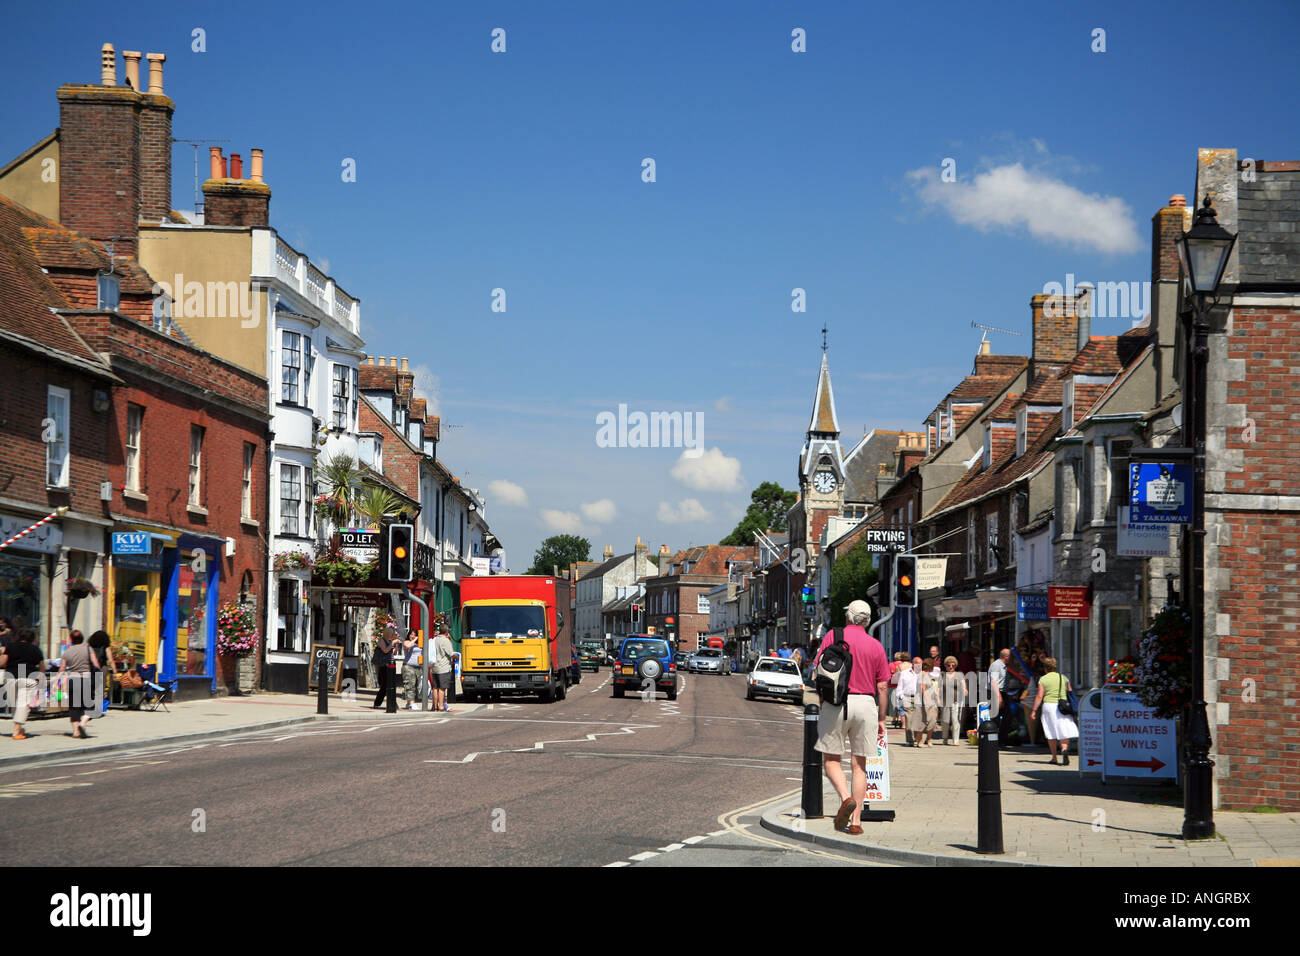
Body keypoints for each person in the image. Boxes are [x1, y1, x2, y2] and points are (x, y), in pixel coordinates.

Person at [812, 599, 891, 835]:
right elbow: (883, 686)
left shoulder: (833, 637)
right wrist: (882, 718)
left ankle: (846, 798)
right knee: (860, 765)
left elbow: (818, 671)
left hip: (836, 703)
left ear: (848, 616)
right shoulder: (876, 646)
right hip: (866, 705)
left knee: (831, 760)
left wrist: (822, 700)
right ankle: (856, 822)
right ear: (868, 620)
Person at [1030, 657, 1079, 765]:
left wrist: (1034, 710)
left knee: (1050, 731)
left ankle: (1054, 758)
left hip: (1049, 706)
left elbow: (1039, 696)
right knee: (1063, 729)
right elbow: (1070, 693)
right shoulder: (1064, 678)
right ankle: (1064, 749)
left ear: (1045, 668)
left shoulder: (1043, 679)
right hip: (1063, 707)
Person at [1, 627, 43, 740]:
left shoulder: (11, 646)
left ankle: (18, 728)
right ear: (32, 638)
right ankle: (16, 732)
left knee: (14, 704)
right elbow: (42, 667)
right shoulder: (36, 649)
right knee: (23, 704)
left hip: (11, 677)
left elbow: (2, 662)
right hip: (29, 678)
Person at [57, 630, 99, 739]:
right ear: (82, 638)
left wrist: (56, 681)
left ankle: (76, 732)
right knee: (90, 706)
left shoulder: (67, 652)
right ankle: (82, 724)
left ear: (71, 639)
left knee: (74, 708)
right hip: (86, 680)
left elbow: (62, 668)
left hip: (72, 680)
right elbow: (96, 664)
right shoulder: (88, 649)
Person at [429, 624, 457, 713]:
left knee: (435, 688)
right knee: (442, 688)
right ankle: (441, 706)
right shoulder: (445, 640)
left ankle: (435, 706)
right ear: (447, 631)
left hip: (434, 666)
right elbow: (451, 653)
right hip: (443, 667)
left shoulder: (435, 639)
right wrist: (458, 657)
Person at [940, 655, 966, 744]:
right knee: (945, 721)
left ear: (955, 665)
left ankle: (956, 740)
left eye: (953, 665)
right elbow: (938, 687)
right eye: (949, 665)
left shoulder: (959, 675)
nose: (951, 667)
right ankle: (945, 738)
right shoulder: (942, 675)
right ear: (945, 665)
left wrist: (965, 689)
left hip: (956, 701)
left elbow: (963, 684)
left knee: (955, 720)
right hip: (945, 701)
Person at [371, 624, 398, 709]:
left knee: (391, 684)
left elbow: (393, 653)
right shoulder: (381, 640)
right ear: (388, 633)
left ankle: (393, 703)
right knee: (385, 685)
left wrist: (396, 646)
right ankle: (377, 702)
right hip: (383, 665)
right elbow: (385, 650)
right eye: (391, 633)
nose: (393, 635)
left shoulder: (390, 641)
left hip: (390, 665)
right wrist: (392, 643)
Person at [915, 658, 941, 747]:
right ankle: (920, 741)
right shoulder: (922, 675)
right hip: (922, 701)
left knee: (932, 720)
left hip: (932, 701)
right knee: (922, 721)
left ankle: (928, 739)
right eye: (933, 665)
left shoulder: (929, 675)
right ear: (930, 666)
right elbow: (923, 688)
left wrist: (937, 698)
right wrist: (927, 700)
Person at [897, 655, 920, 744]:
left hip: (918, 698)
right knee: (909, 719)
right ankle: (910, 740)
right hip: (907, 697)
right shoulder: (904, 673)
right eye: (918, 664)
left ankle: (917, 738)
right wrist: (901, 696)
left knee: (917, 719)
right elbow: (900, 686)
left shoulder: (922, 673)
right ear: (912, 664)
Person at [401, 628, 423, 710]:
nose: (412, 636)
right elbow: (407, 646)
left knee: (416, 685)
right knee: (410, 685)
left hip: (417, 667)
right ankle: (412, 703)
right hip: (408, 666)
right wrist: (415, 639)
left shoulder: (419, 644)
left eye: (414, 634)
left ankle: (408, 703)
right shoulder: (407, 642)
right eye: (411, 634)